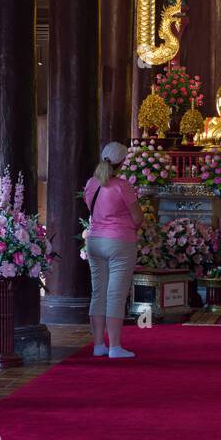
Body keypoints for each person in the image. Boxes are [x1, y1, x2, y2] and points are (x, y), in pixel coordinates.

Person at [83, 141, 144, 359]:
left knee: (98, 293)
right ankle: (115, 346)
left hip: (94, 241)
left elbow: (93, 211)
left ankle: (99, 344)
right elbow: (137, 217)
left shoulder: (91, 183)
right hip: (119, 243)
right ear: (122, 162)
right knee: (115, 295)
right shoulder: (122, 186)